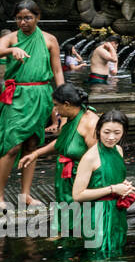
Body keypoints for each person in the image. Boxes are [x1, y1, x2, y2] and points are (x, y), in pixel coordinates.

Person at [0, 0, 63, 213]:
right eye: (19, 18)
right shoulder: (11, 38)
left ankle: (25, 195)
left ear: (37, 17)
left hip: (42, 95)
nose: (23, 22)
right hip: (17, 95)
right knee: (12, 146)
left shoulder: (49, 39)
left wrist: (62, 96)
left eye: (27, 17)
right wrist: (12, 51)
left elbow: (57, 71)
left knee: (31, 145)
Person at [17, 83, 98, 211]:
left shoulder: (90, 123)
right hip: (67, 181)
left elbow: (98, 159)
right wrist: (35, 154)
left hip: (82, 183)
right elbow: (63, 141)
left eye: (56, 105)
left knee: (82, 224)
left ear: (66, 104)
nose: (54, 109)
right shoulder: (73, 117)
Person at [71, 110, 135, 258]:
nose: (111, 137)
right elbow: (77, 195)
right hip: (97, 214)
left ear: (124, 132)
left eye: (117, 133)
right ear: (98, 130)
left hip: (117, 212)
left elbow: (111, 177)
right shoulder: (90, 158)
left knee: (116, 252)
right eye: (106, 132)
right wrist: (113, 188)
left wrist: (123, 185)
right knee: (99, 258)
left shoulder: (118, 150)